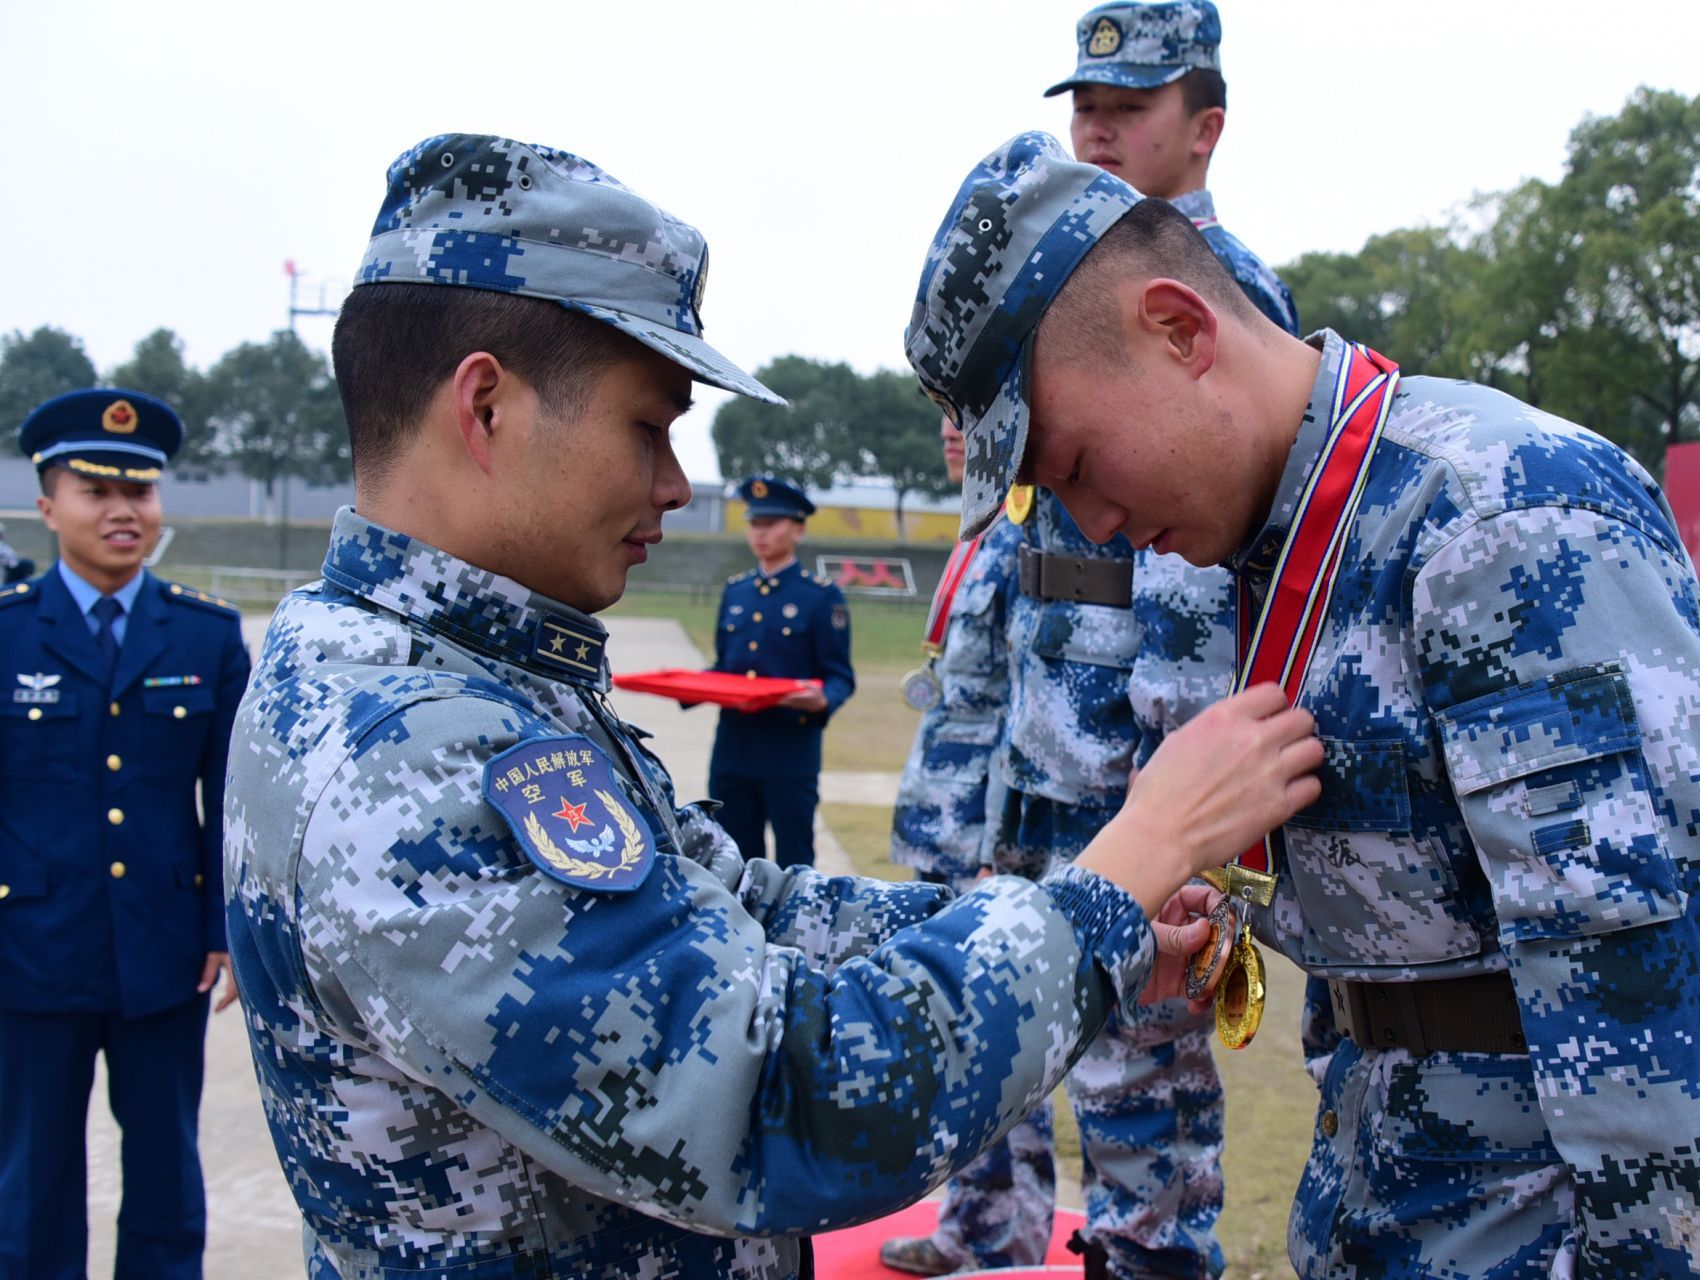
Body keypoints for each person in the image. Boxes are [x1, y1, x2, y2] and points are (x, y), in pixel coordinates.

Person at [221, 131, 1326, 1280]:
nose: (674, 484)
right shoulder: (408, 753)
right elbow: (779, 1097)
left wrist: (1080, 913)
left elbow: (743, 910)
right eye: (648, 426)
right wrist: (1126, 866)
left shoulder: (462, 678)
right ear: (487, 406)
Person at [905, 134, 1700, 1279]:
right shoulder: (1268, 548)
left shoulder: (1503, 520)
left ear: (1181, 329)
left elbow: (1682, 1016)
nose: (1091, 525)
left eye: (1079, 464)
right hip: (1396, 1211)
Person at [886, 7, 1297, 1275]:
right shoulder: (1043, 296)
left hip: (1124, 755)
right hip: (1025, 729)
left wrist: (1174, 800)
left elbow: (1197, 578)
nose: (1099, 130)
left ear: (1205, 126)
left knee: (1134, 1055)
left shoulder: (1216, 294)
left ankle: (1148, 1258)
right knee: (992, 988)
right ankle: (991, 1227)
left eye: (1131, 107)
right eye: (1086, 107)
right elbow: (1009, 554)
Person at [0, 388, 249, 1280]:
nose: (122, 511)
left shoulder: (206, 636)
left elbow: (229, 801)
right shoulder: (7, 633)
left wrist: (224, 928)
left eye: (138, 492)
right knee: (30, 1182)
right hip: (29, 949)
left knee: (165, 1179)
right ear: (46, 506)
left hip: (164, 951)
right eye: (96, 491)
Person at [884, 418, 1054, 1271]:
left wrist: (1000, 847)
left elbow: (1028, 705)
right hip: (939, 824)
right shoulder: (978, 528)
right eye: (941, 413)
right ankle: (969, 1224)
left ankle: (1012, 1243)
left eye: (968, 413)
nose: (951, 429)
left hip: (984, 837)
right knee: (955, 1041)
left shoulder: (1029, 532)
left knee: (1005, 1041)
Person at [708, 475, 854, 868]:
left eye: (771, 523)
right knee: (732, 863)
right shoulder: (736, 591)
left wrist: (823, 699)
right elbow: (724, 666)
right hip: (733, 752)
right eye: (754, 523)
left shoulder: (821, 596)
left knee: (794, 865)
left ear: (798, 529)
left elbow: (840, 675)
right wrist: (687, 684)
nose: (760, 532)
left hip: (789, 753)